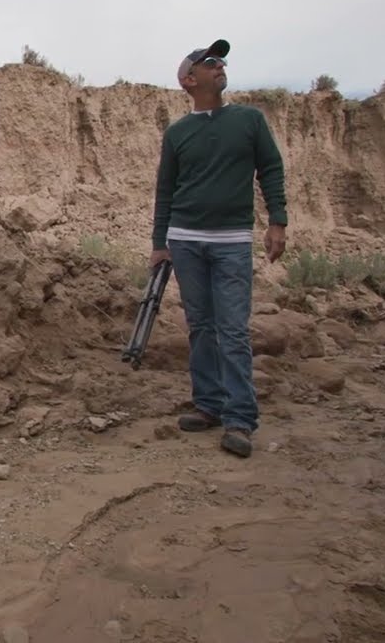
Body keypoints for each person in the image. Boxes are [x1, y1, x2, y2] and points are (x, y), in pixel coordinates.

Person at [147, 39, 289, 459]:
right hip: (185, 240)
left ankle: (240, 418)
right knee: (201, 326)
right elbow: (165, 190)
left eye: (221, 61)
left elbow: (271, 169)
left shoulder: (249, 120)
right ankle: (208, 405)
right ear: (189, 80)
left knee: (233, 329)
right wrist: (159, 243)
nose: (220, 65)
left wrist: (278, 221)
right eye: (210, 62)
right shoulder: (178, 133)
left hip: (232, 241)